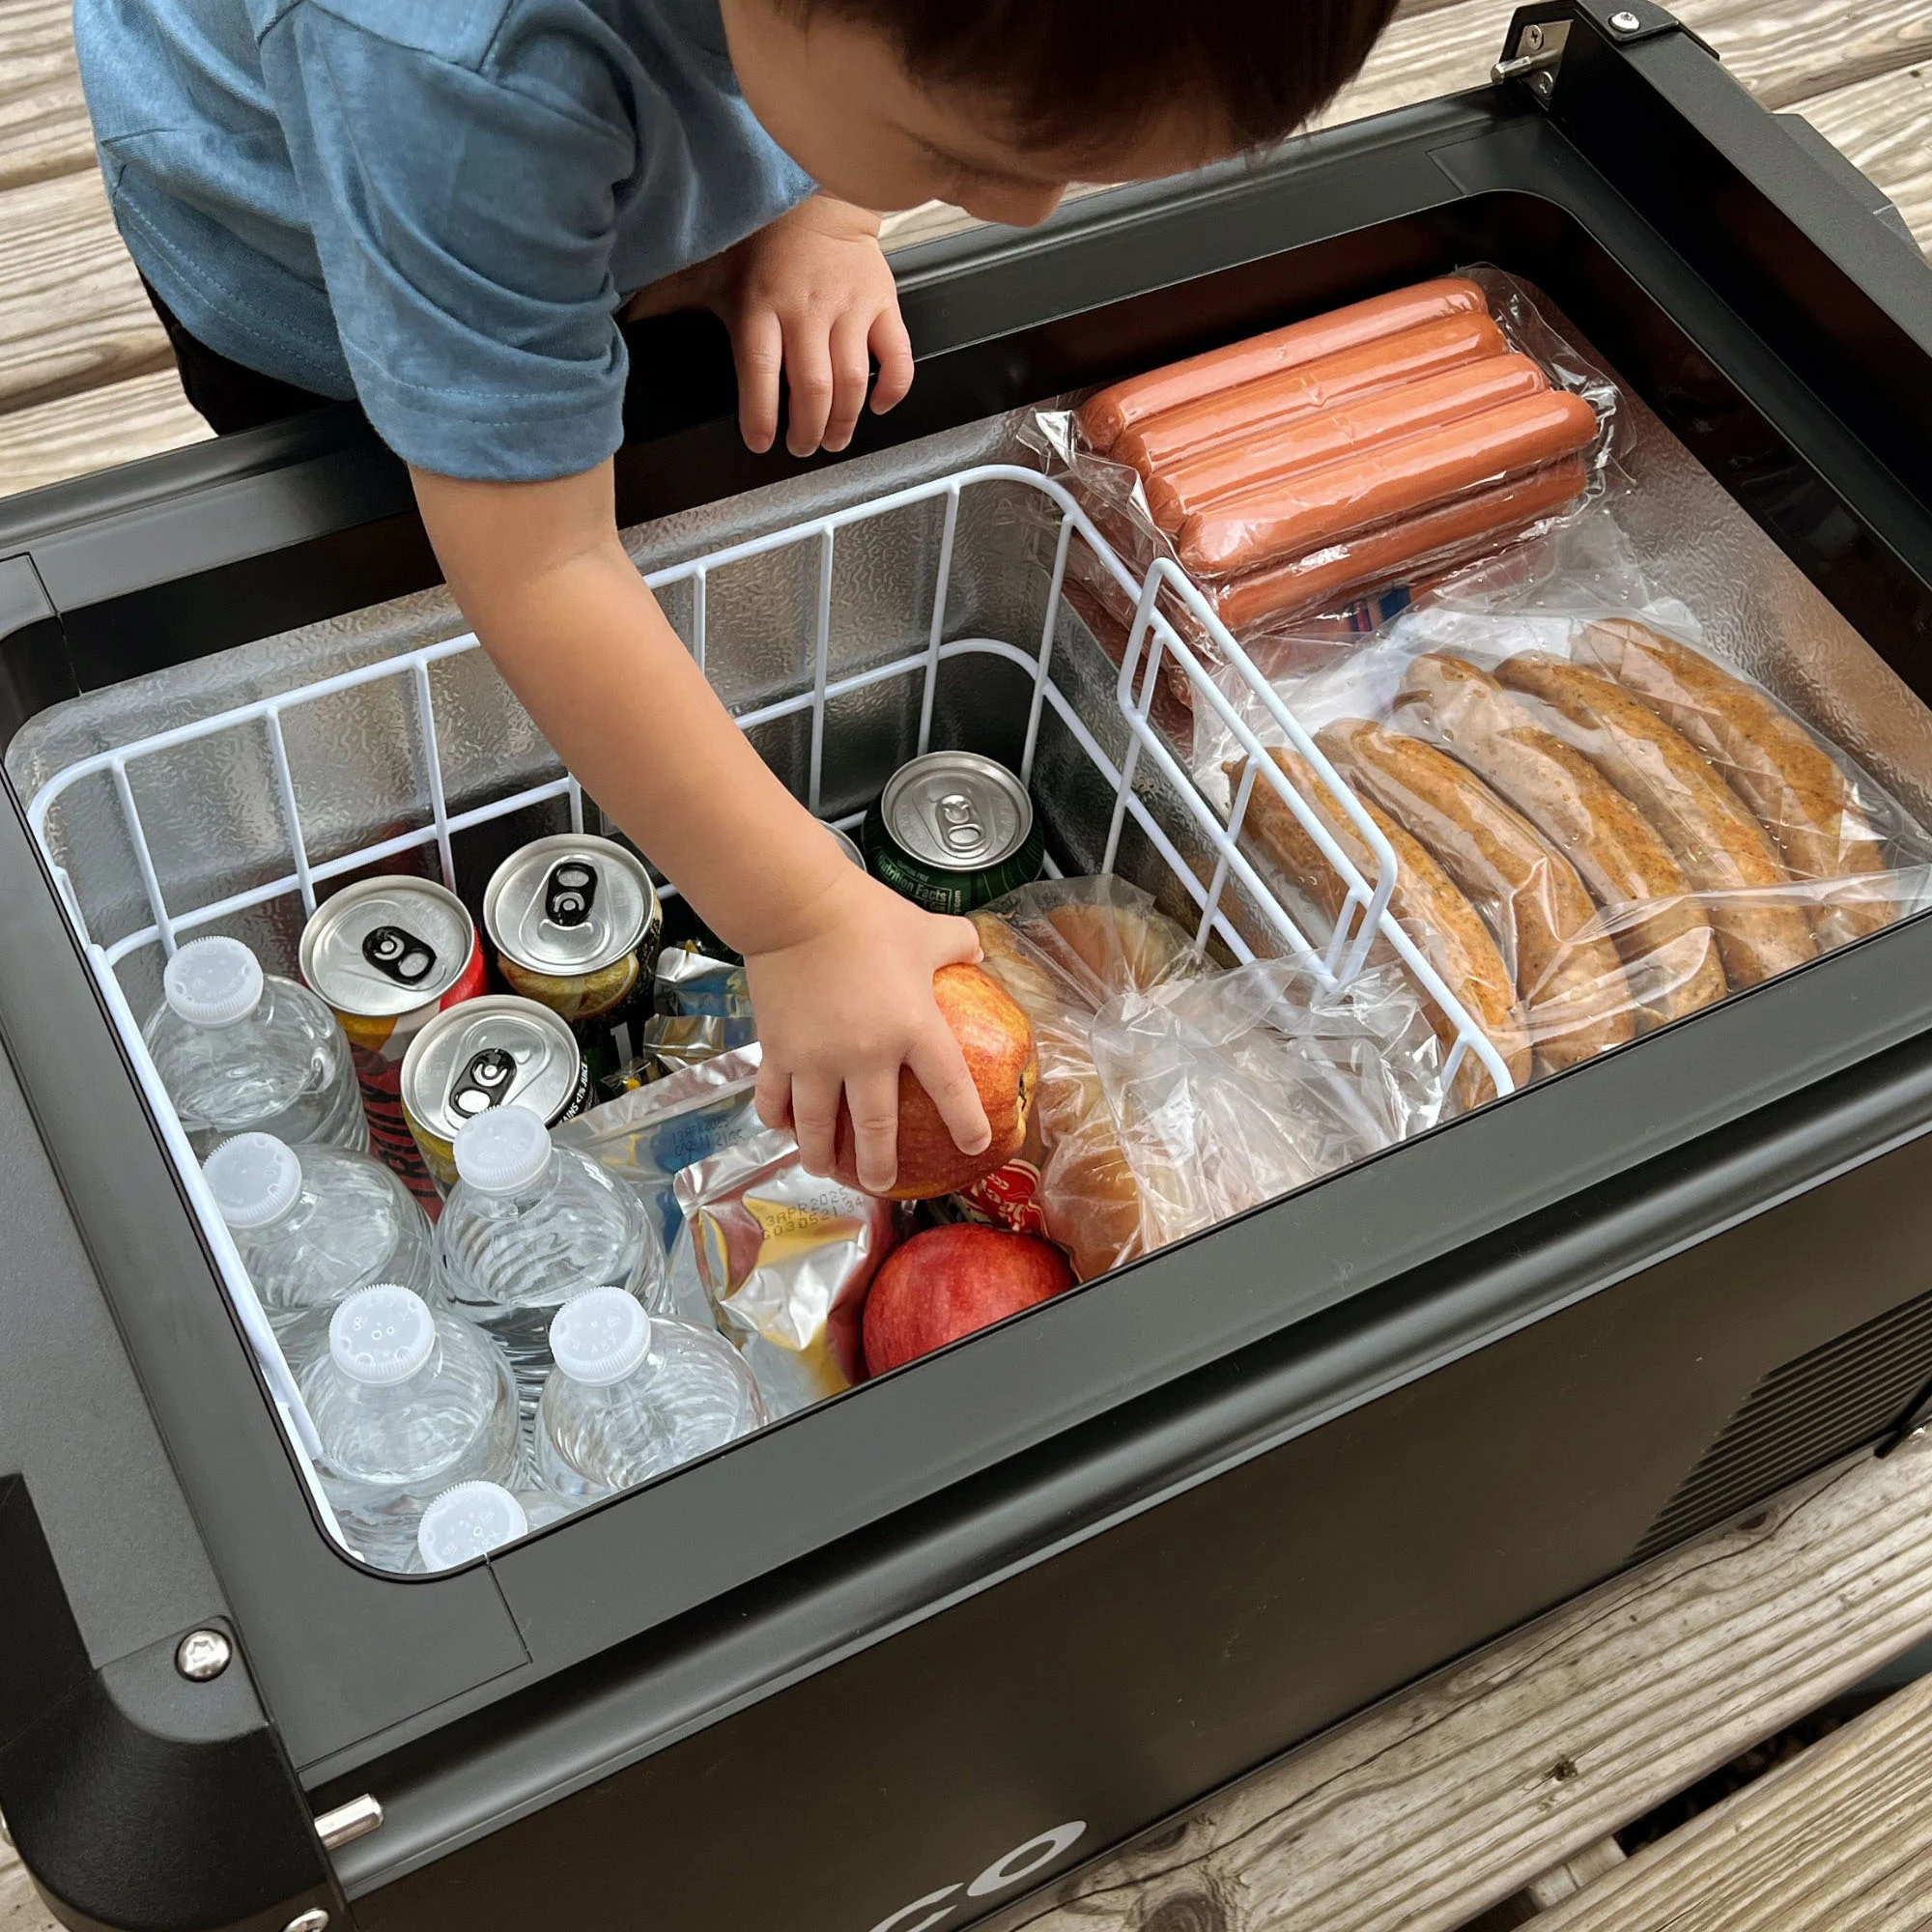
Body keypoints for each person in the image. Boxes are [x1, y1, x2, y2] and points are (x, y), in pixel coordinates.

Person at [75, 0, 1399, 1192]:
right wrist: (800, 914)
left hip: (621, 123)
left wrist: (826, 211)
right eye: (964, 162)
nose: (1027, 213)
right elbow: (534, 559)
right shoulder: (449, 66)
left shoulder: (833, 39)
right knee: (388, 533)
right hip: (300, 230)